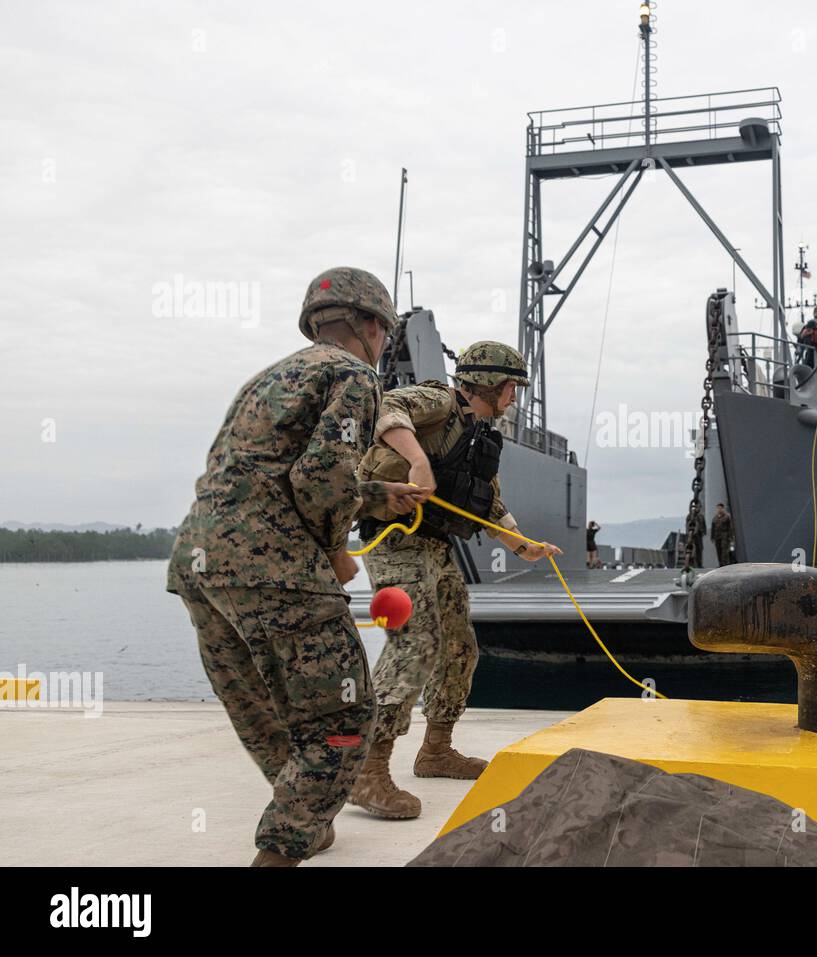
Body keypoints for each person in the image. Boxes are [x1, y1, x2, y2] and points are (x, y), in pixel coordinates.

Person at [165, 267, 431, 866]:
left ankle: (303, 819)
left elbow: (269, 472)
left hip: (201, 567)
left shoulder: (270, 377)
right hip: (277, 567)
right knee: (343, 718)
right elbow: (318, 480)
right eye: (384, 332)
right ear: (368, 324)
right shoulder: (355, 375)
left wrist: (374, 496)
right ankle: (281, 850)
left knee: (262, 708)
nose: (383, 344)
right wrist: (338, 551)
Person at [349, 341, 562, 819]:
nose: (514, 397)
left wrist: (523, 546)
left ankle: (436, 750)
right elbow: (386, 406)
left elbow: (489, 505)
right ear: (489, 384)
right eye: (511, 388)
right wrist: (419, 462)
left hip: (434, 546)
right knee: (415, 642)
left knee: (459, 646)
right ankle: (368, 768)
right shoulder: (439, 402)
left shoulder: (478, 436)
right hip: (394, 540)